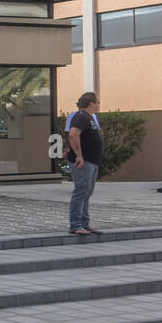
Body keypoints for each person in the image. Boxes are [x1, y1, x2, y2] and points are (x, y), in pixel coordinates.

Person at [66, 92, 103, 235]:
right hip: (84, 161)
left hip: (92, 161)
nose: (99, 105)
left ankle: (84, 223)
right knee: (81, 192)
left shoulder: (89, 118)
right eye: (97, 102)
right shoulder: (81, 116)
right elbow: (73, 133)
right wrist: (79, 155)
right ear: (91, 103)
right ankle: (75, 225)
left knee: (87, 193)